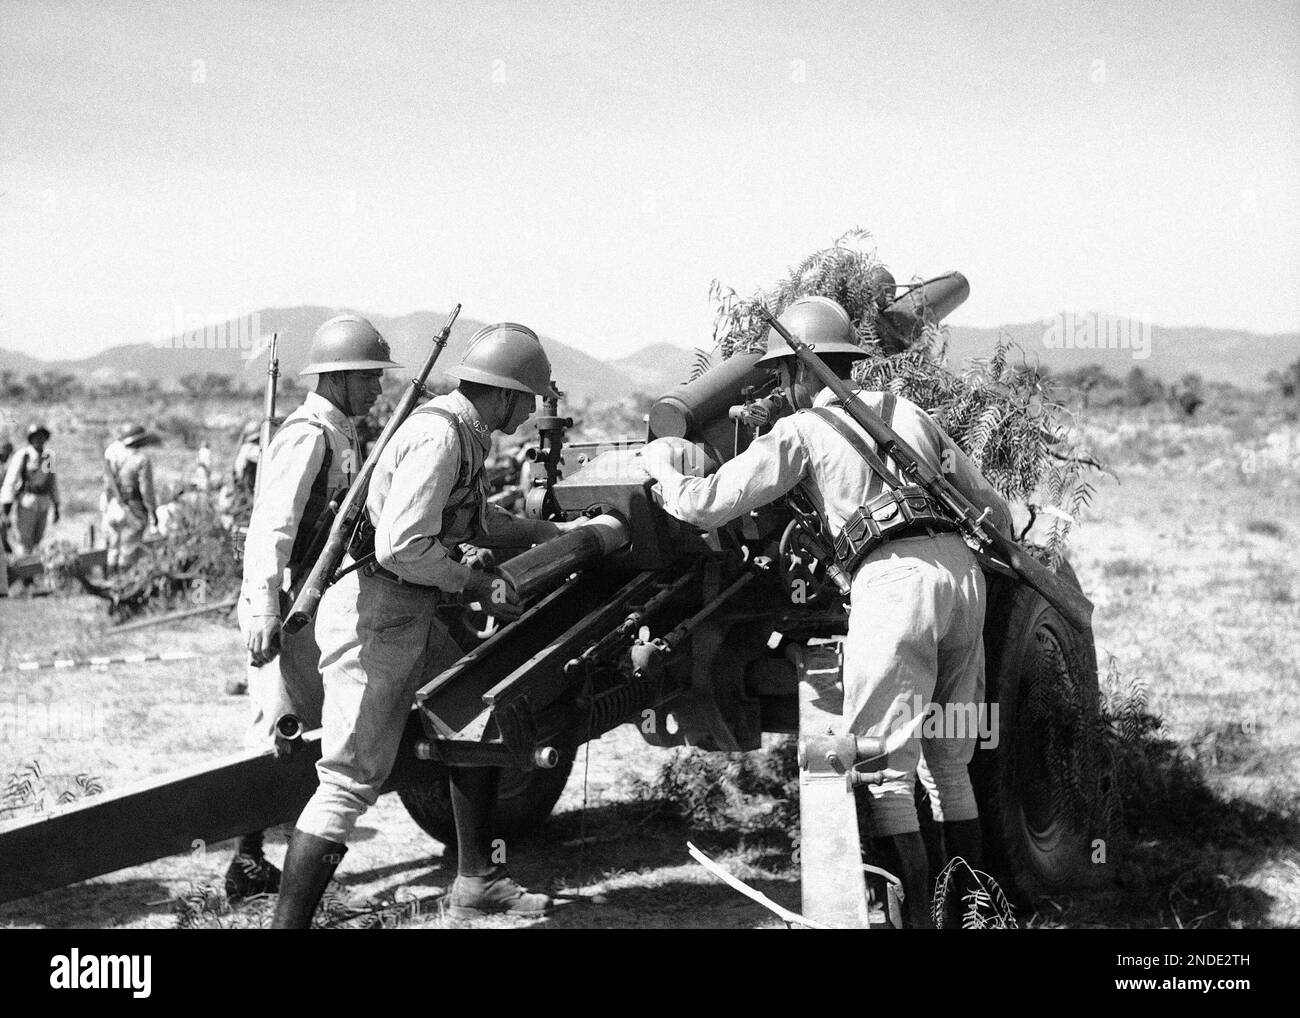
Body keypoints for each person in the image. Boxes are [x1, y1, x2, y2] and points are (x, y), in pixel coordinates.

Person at [640, 296, 1012, 928]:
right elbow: (989, 505)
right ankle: (972, 916)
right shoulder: (908, 412)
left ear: (797, 372)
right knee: (950, 761)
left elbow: (709, 505)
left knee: (884, 768)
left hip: (894, 587)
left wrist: (663, 469)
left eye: (781, 375)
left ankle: (917, 921)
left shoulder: (803, 431)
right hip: (962, 578)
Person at [272, 322, 585, 928]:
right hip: (375, 618)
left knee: (476, 712)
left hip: (406, 612)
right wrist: (473, 582)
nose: (528, 413)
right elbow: (401, 548)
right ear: (505, 394)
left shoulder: (464, 432)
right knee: (348, 781)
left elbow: (474, 519)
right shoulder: (440, 437)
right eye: (528, 399)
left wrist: (545, 533)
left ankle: (477, 882)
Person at [226, 313, 399, 901]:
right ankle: (245, 862)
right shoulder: (308, 434)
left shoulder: (341, 432)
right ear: (339, 378)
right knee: (274, 733)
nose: (378, 390)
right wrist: (264, 610)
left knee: (304, 730)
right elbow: (270, 527)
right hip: (286, 603)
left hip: (313, 601)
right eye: (370, 378)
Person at [103, 423, 161, 573]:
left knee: (113, 549)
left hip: (114, 505)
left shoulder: (113, 454)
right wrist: (152, 510)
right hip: (133, 506)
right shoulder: (141, 459)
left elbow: (108, 482)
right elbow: (146, 489)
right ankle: (123, 585)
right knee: (128, 550)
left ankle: (111, 581)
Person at [1, 424, 60, 559]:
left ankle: (31, 575)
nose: (39, 440)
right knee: (24, 541)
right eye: (36, 437)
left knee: (37, 541)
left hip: (43, 503)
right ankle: (25, 576)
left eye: (42, 437)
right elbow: (10, 482)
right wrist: (6, 510)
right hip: (27, 503)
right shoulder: (24, 455)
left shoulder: (48, 457)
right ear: (31, 439)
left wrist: (56, 505)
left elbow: (51, 482)